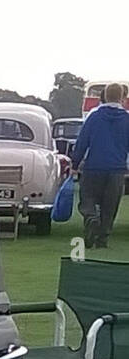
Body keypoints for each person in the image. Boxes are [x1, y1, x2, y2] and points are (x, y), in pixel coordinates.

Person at [70, 81, 129, 249]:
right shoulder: (127, 119)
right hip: (116, 169)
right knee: (110, 206)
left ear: (103, 96)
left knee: (87, 199)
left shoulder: (93, 117)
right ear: (122, 98)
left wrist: (75, 163)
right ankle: (102, 238)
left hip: (93, 167)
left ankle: (90, 218)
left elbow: (82, 142)